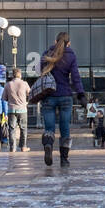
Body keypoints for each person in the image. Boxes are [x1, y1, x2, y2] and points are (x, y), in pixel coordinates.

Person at [39, 31, 85, 167]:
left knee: (49, 127)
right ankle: (64, 159)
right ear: (68, 43)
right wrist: (81, 94)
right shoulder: (71, 55)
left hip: (49, 95)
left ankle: (48, 144)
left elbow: (41, 72)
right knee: (65, 128)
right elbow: (76, 77)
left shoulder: (46, 53)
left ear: (55, 41)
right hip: (65, 96)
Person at [4, 68, 30, 152]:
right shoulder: (24, 83)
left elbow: (4, 98)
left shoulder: (8, 84)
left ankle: (12, 148)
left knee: (12, 129)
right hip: (22, 109)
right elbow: (30, 94)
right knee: (23, 128)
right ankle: (23, 147)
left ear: (13, 75)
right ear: (20, 74)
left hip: (11, 109)